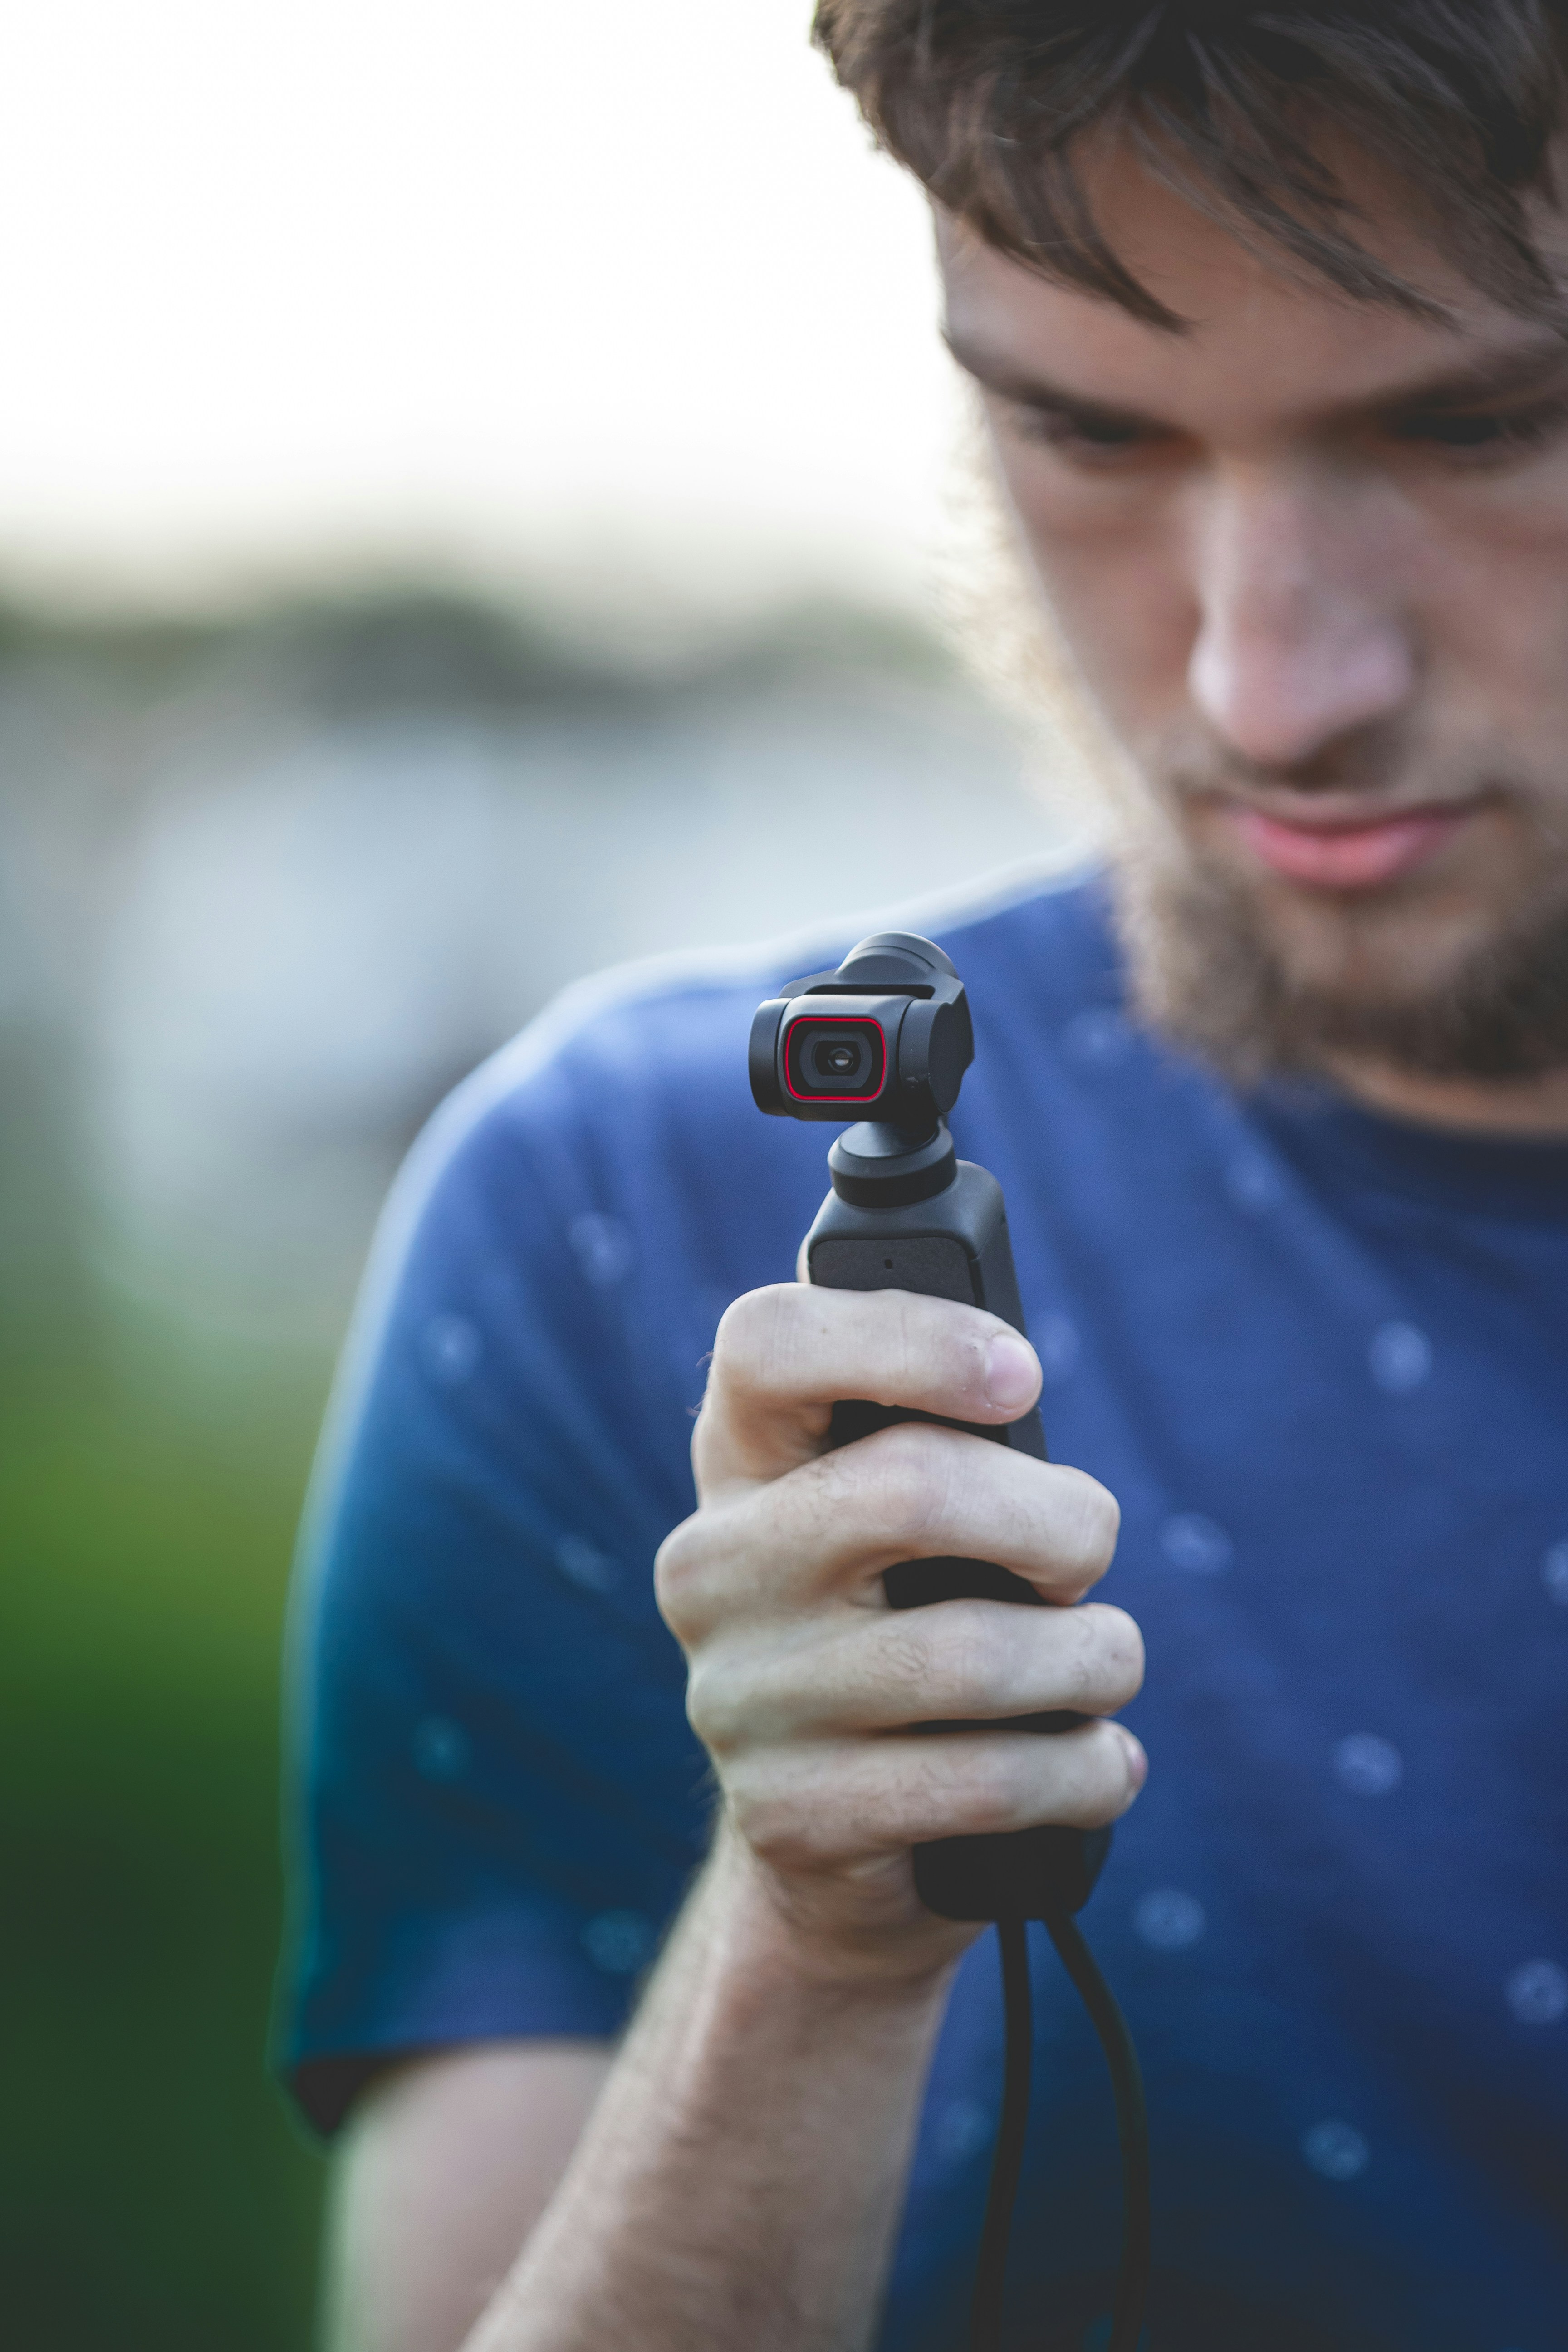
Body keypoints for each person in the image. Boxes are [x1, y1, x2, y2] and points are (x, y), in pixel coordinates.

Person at [275, 8, 1568, 2348]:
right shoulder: (629, 1229)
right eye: (1088, 427)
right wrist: (805, 1946)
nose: (1270, 685)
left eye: (1483, 421)